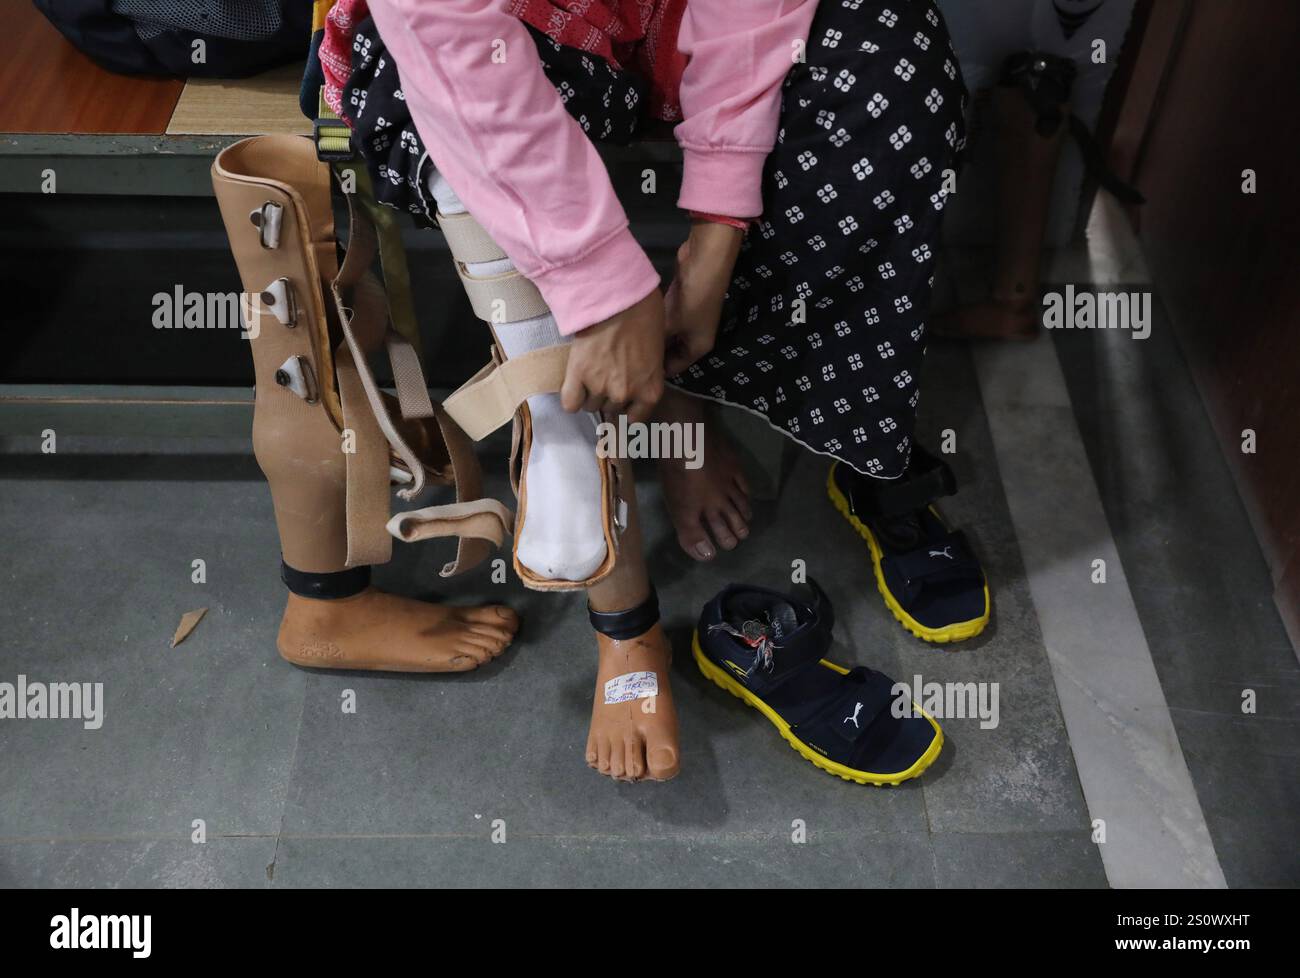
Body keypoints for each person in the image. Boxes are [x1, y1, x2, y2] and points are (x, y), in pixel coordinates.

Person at [322, 0, 971, 780]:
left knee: (893, 57)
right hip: (477, 31)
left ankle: (775, 416)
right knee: (457, 147)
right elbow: (446, 34)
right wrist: (601, 285)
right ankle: (621, 606)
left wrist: (717, 231)